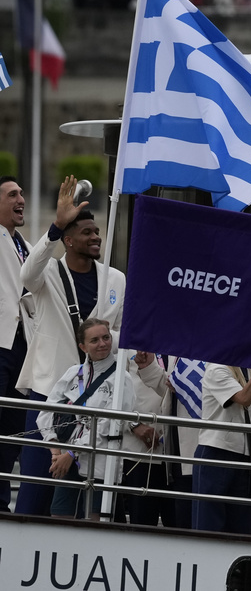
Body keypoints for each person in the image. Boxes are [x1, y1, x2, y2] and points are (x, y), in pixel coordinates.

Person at [17, 176, 126, 515]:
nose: (96, 237)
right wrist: (54, 226)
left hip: (95, 401)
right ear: (67, 240)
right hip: (50, 392)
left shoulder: (116, 278)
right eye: (86, 233)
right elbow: (25, 275)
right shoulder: (47, 272)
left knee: (81, 495)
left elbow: (120, 331)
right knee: (36, 489)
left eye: (97, 232)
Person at [37, 318, 135, 520]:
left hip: (100, 461)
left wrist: (71, 453)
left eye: (106, 337)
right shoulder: (72, 373)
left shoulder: (122, 378)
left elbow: (108, 425)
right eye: (95, 340)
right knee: (59, 516)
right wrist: (55, 447)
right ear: (83, 346)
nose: (102, 344)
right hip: (65, 458)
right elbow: (45, 411)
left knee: (94, 522)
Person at [192, 360, 251, 534]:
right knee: (209, 527)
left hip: (243, 456)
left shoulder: (247, 370)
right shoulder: (216, 369)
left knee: (239, 527)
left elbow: (247, 416)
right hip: (216, 454)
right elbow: (244, 398)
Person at [0, 176, 30, 512]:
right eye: (12, 194)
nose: (20, 199)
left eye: (21, 193)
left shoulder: (24, 243)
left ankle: (1, 503)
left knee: (11, 432)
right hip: (0, 344)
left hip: (21, 348)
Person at [122, 351, 177, 527]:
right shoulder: (133, 339)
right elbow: (114, 389)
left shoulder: (184, 340)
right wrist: (134, 424)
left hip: (175, 452)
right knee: (141, 522)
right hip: (139, 450)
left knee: (177, 523)